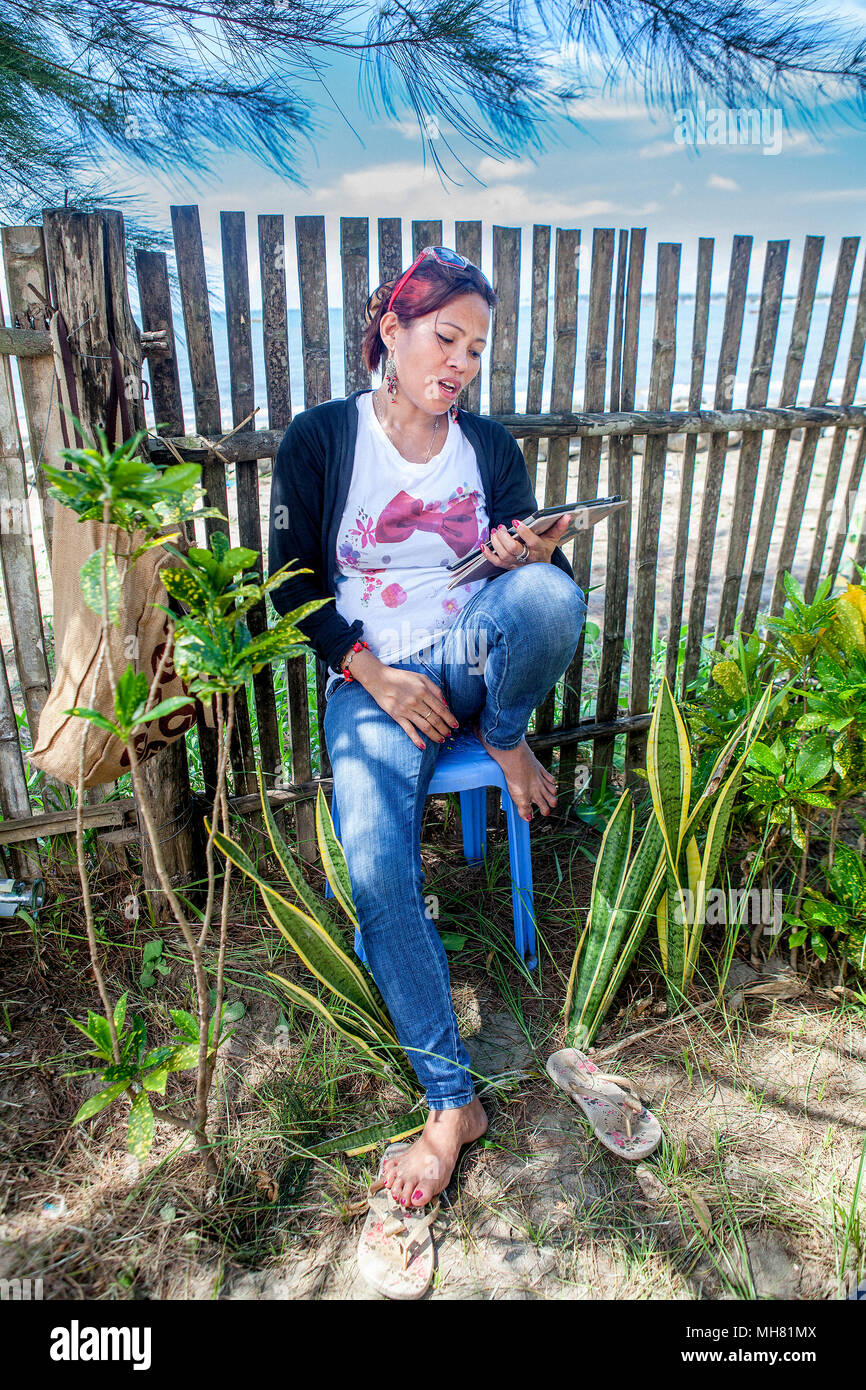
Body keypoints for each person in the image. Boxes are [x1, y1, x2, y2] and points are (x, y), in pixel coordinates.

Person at [269, 246, 587, 1209]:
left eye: (477, 348)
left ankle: (501, 730)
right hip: (371, 683)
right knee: (380, 878)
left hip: (470, 657)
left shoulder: (488, 449)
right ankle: (452, 1104)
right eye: (446, 337)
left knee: (547, 594)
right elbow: (285, 587)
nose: (460, 362)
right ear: (393, 332)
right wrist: (374, 674)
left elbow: (531, 593)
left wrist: (516, 553)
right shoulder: (323, 438)